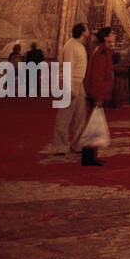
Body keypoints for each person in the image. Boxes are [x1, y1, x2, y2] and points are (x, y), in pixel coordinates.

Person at [51, 24, 89, 154]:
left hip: (79, 82)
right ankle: (59, 146)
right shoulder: (71, 46)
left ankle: (77, 145)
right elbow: (68, 67)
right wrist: (69, 88)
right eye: (87, 29)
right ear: (83, 32)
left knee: (79, 117)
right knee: (65, 116)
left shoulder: (79, 45)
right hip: (71, 83)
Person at [82, 27, 115, 167]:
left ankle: (91, 156)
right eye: (112, 34)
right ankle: (88, 157)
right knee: (93, 125)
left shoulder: (103, 50)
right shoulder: (102, 52)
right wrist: (98, 96)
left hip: (99, 92)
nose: (114, 36)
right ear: (106, 37)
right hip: (97, 93)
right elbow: (97, 76)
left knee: (94, 124)